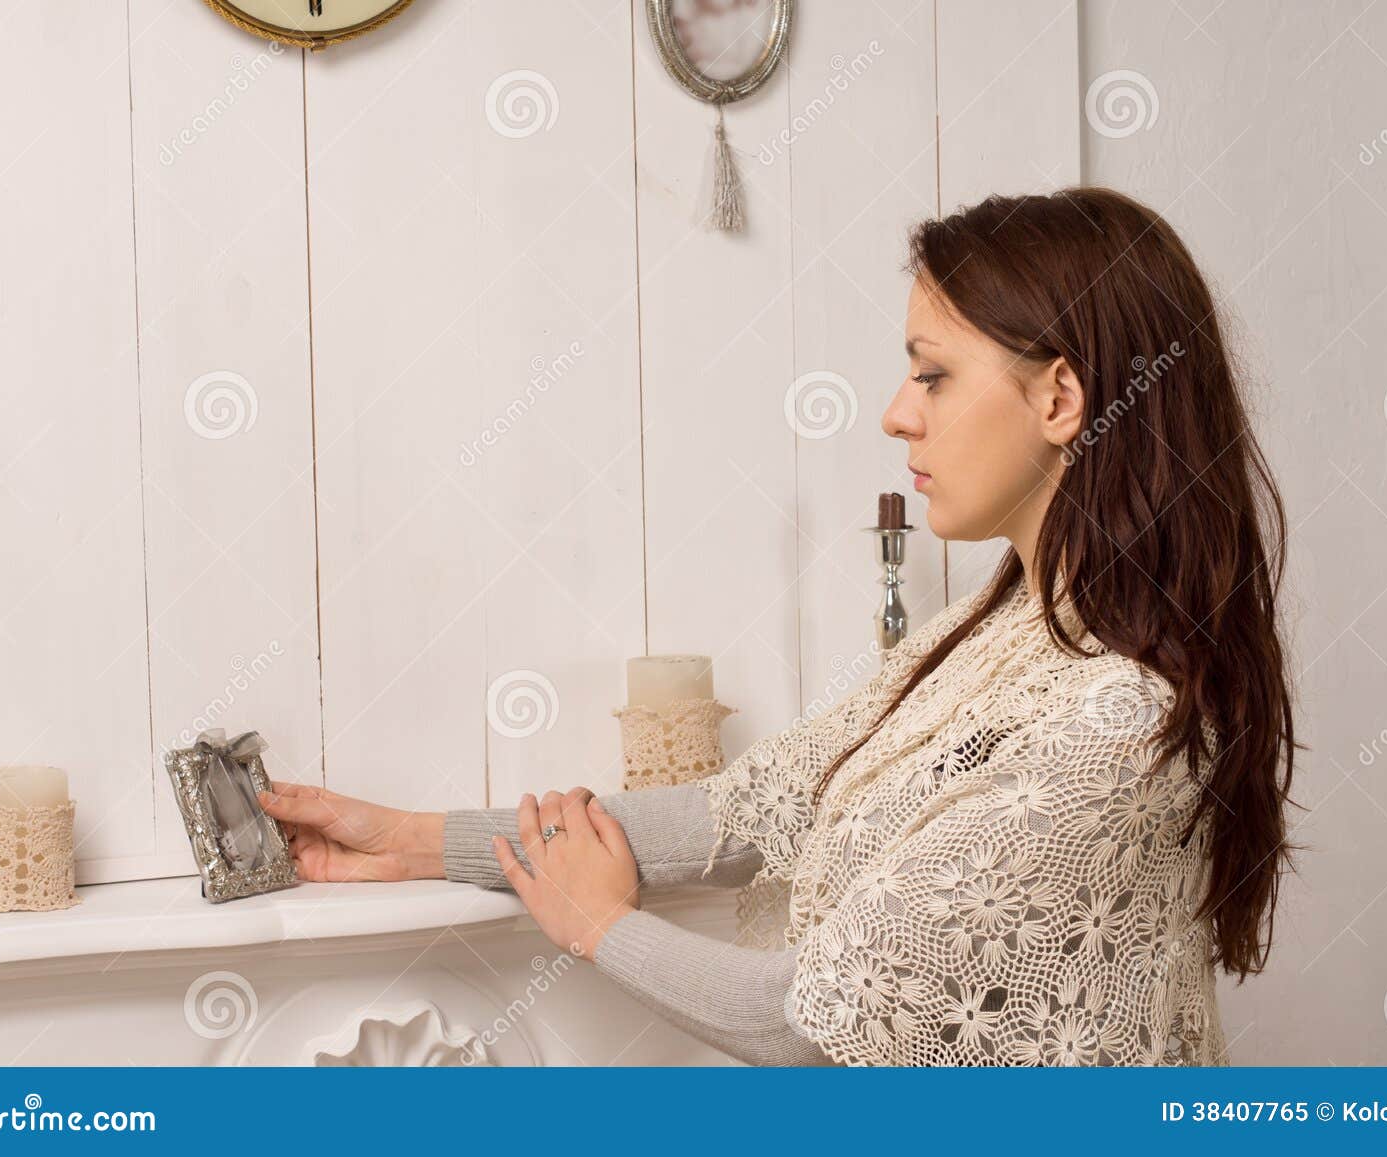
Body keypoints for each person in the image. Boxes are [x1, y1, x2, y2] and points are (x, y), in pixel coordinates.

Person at [258, 186, 1298, 1067]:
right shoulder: (994, 638)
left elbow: (807, 1018)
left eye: (931, 372)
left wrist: (597, 923)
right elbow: (737, 816)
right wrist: (411, 840)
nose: (897, 411)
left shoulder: (1117, 715)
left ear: (1062, 397)